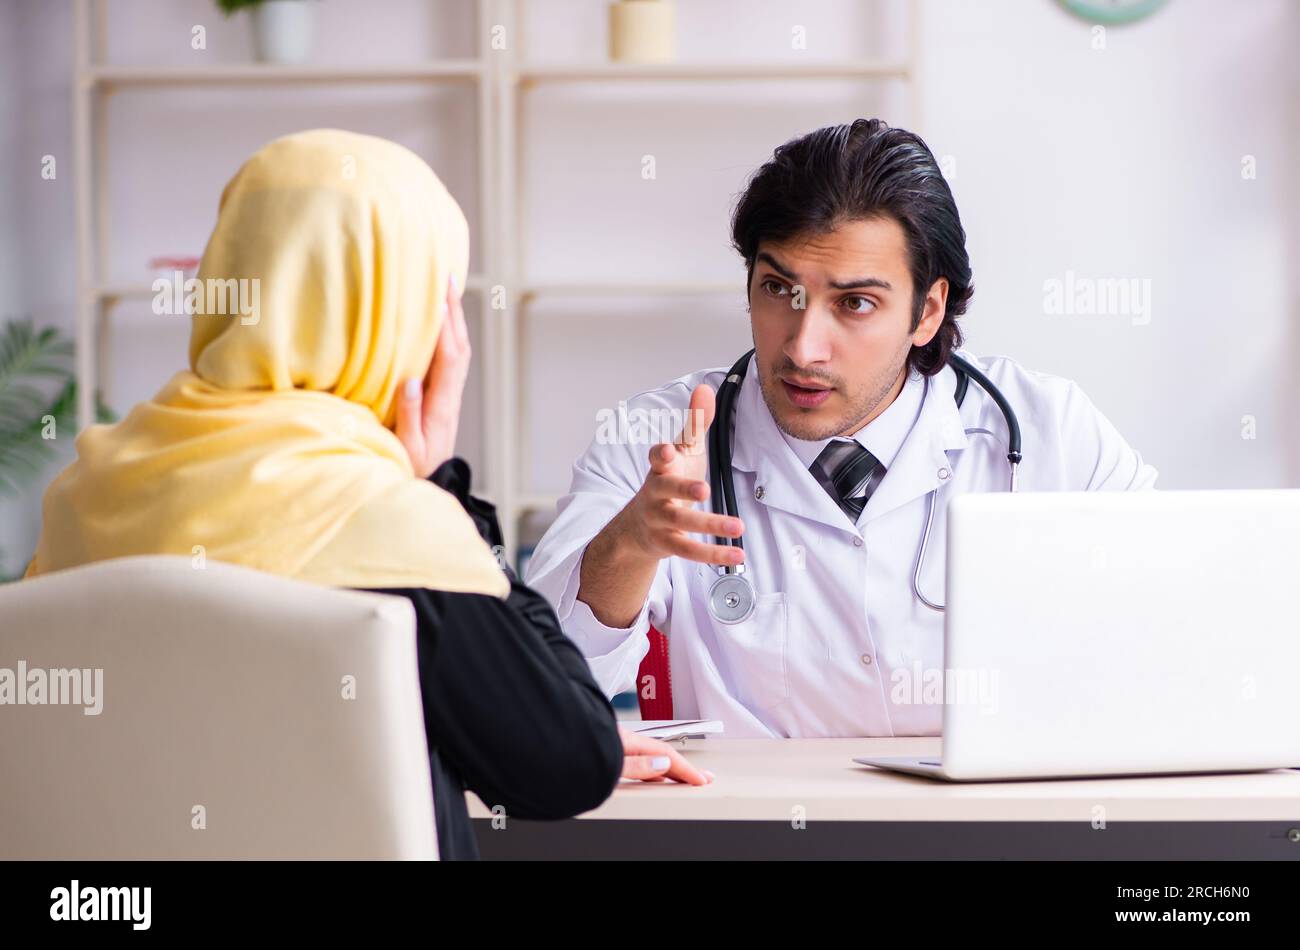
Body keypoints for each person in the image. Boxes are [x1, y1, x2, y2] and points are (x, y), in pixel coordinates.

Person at [25, 129, 708, 860]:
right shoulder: (390, 526)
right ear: (405, 319)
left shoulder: (87, 491)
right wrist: (442, 490)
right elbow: (567, 768)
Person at [525, 118, 1158, 739]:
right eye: (778, 288)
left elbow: (1167, 634)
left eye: (854, 303)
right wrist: (632, 543)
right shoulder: (655, 438)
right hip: (749, 832)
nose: (804, 348)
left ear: (927, 311)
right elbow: (539, 683)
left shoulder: (1052, 434)